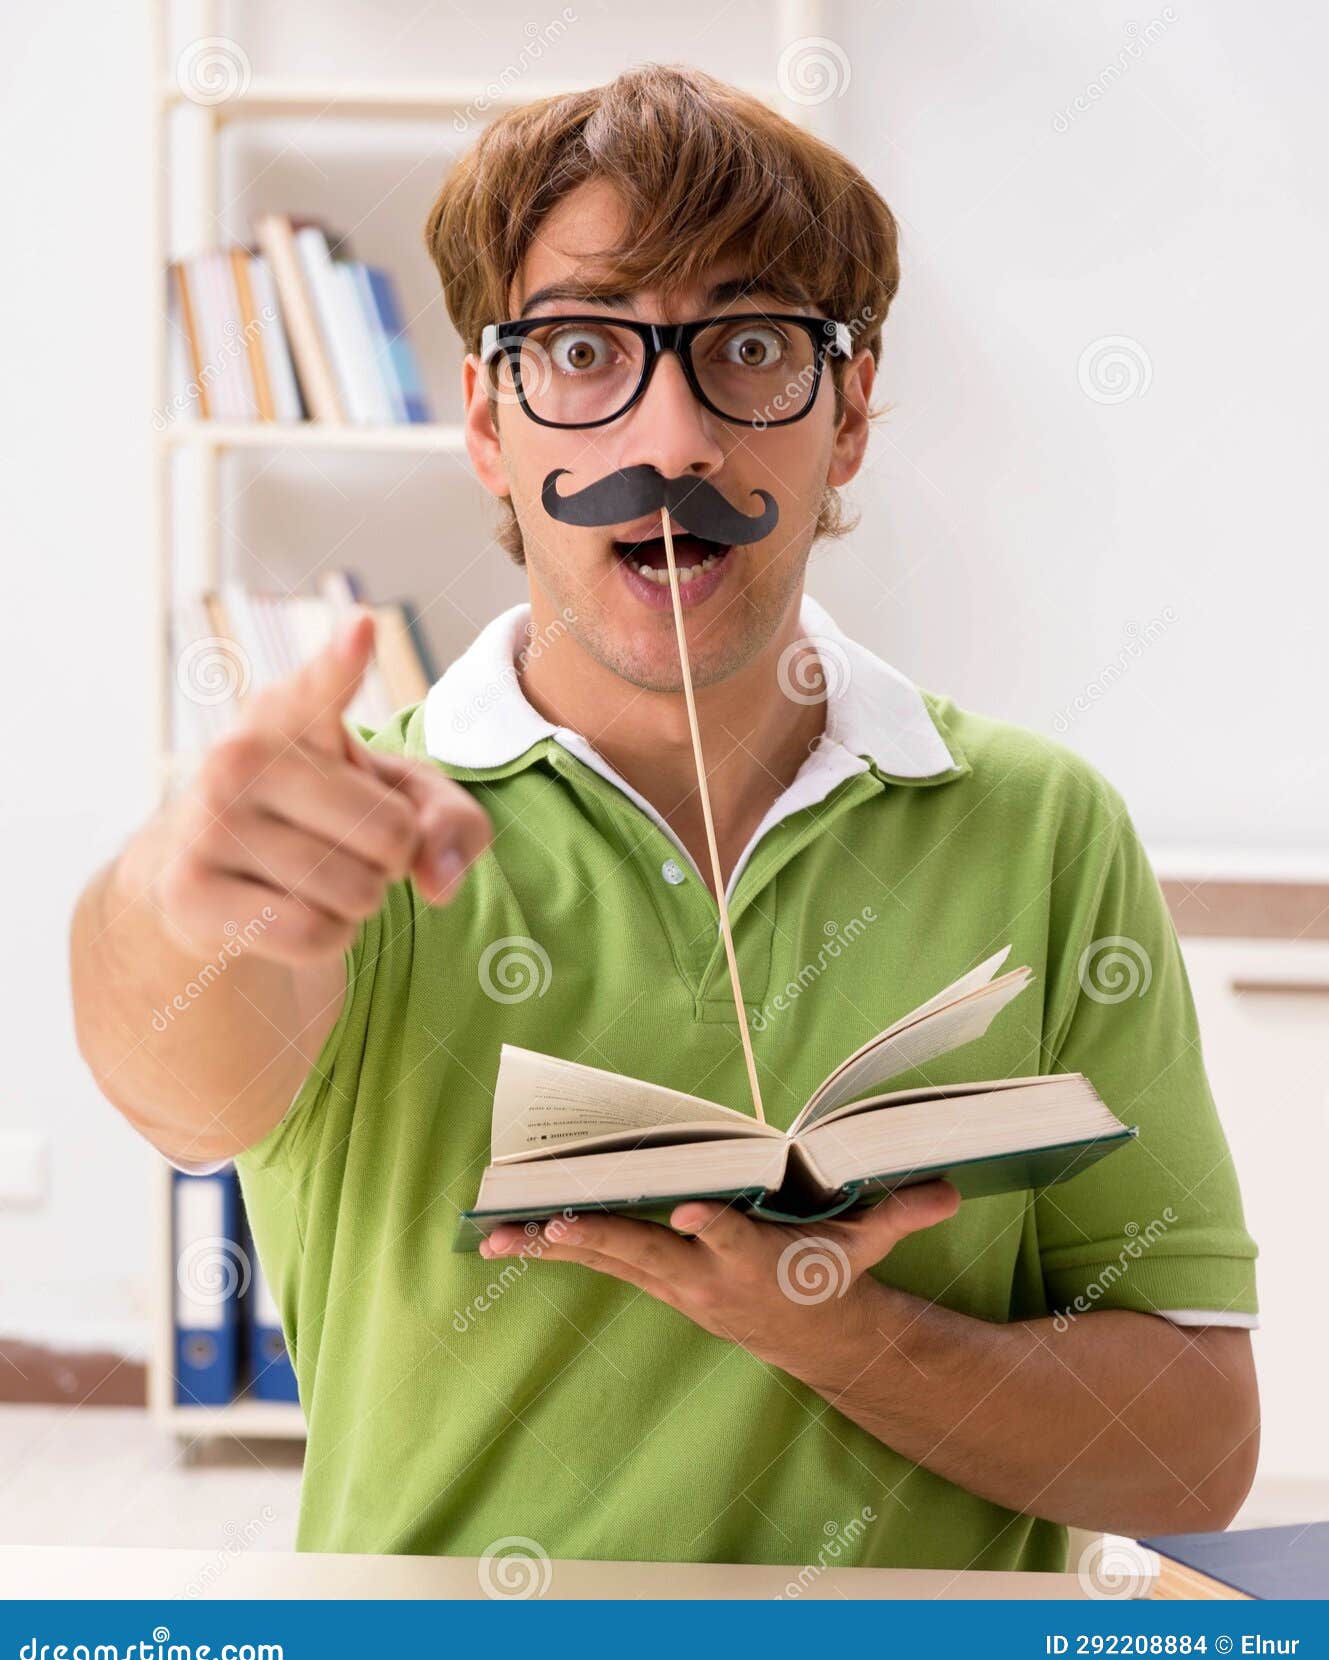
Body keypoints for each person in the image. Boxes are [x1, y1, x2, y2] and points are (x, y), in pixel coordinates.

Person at [71, 65, 1258, 1570]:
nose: (678, 436)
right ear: (489, 425)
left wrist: (832, 1325)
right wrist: (172, 896)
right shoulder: (360, 835)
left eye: (750, 348)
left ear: (850, 414)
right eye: (583, 349)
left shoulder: (1040, 826)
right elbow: (174, 1076)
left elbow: (1193, 1453)